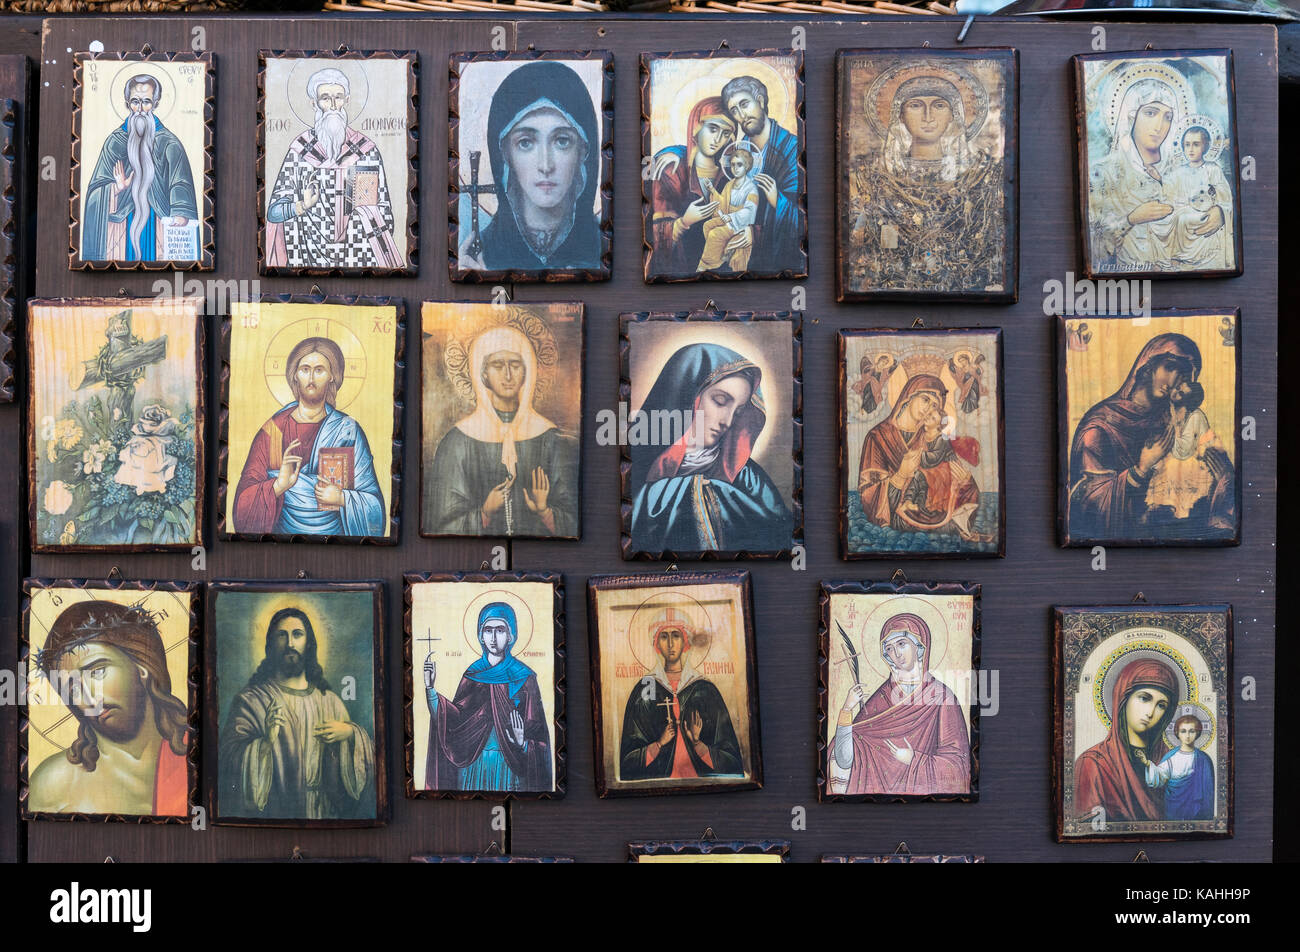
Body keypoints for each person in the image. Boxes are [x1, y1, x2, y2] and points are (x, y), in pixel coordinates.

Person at [848, 68, 1004, 293]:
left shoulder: (979, 178)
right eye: (916, 105)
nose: (928, 116)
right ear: (899, 114)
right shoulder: (873, 177)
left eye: (939, 105)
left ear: (953, 115)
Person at [627, 342, 793, 553]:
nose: (728, 421)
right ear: (686, 394)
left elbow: (780, 534)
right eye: (721, 401)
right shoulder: (633, 463)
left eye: (739, 411)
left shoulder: (749, 477)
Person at [28, 600, 189, 816]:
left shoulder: (196, 756)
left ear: (142, 666)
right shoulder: (54, 785)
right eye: (73, 688)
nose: (90, 698)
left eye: (97, 672)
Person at [1068, 332, 1233, 541]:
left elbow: (1214, 469)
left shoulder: (1175, 420)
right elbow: (1085, 507)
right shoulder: (1099, 427)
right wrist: (1141, 470)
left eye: (1182, 374)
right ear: (1147, 367)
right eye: (1169, 367)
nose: (1173, 380)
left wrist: (1224, 479)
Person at [218, 607, 375, 820]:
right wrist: (264, 744)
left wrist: (350, 734)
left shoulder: (330, 701)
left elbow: (371, 766)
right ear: (271, 644)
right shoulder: (251, 701)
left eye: (297, 634)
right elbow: (227, 763)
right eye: (282, 635)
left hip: (328, 816)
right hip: (280, 814)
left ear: (308, 643)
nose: (290, 643)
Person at [426, 325, 577, 536]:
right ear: (483, 373)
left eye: (515, 365)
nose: (508, 375)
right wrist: (484, 512)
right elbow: (441, 526)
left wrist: (545, 511)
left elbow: (574, 523)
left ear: (527, 372)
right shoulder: (457, 441)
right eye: (497, 365)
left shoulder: (551, 439)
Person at [232, 336, 386, 537]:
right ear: (295, 375)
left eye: (319, 370)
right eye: (305, 369)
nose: (311, 378)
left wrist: (341, 498)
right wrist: (279, 485)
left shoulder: (348, 431)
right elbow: (242, 509)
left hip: (337, 545)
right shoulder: (274, 431)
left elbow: (375, 508)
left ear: (332, 376)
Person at [460, 61, 601, 272]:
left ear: (583, 150)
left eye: (562, 141)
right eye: (525, 143)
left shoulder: (604, 250)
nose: (545, 165)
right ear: (505, 154)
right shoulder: (480, 253)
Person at [265, 67, 403, 270]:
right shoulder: (300, 152)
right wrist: (302, 205)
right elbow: (273, 213)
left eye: (338, 98)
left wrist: (359, 219)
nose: (332, 106)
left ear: (347, 100)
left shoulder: (364, 151)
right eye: (325, 98)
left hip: (356, 257)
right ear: (314, 103)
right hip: (305, 256)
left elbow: (384, 217)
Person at [1086, 76, 1229, 272]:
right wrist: (1131, 219)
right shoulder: (1102, 174)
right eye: (1150, 112)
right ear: (1131, 117)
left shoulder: (1178, 170)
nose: (1159, 125)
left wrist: (1221, 213)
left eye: (1168, 117)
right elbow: (1094, 248)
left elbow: (1223, 203)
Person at [831, 613, 970, 796]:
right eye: (889, 648)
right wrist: (847, 710)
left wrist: (914, 759)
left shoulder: (943, 698)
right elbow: (847, 756)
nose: (896, 653)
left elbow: (959, 767)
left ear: (919, 647)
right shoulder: (881, 699)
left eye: (902, 644)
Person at [422, 602, 552, 793]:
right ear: (480, 636)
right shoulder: (473, 675)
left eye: (500, 630)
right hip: (474, 764)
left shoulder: (525, 678)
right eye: (488, 630)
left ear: (510, 636)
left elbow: (540, 738)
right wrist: (430, 688)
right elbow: (452, 722)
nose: (493, 637)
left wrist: (523, 743)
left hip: (510, 766)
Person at [81, 74, 198, 263]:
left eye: (146, 102)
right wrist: (115, 188)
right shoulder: (114, 142)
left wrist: (181, 213)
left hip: (160, 220)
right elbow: (95, 192)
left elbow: (180, 181)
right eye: (135, 102)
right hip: (121, 225)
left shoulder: (170, 143)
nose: (141, 109)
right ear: (127, 103)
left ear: (156, 103)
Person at [618, 608, 743, 782]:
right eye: (664, 636)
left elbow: (732, 761)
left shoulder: (705, 689)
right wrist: (659, 744)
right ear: (656, 643)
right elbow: (627, 763)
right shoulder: (645, 689)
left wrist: (697, 744)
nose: (670, 644)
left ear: (686, 642)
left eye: (676, 635)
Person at [857, 373, 984, 540]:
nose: (928, 409)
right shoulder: (878, 436)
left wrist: (967, 481)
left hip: (932, 509)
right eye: (925, 400)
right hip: (899, 515)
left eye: (934, 406)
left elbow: (952, 473)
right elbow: (868, 496)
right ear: (909, 396)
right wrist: (901, 476)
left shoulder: (930, 437)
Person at [1074, 657, 1179, 823]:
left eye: (1161, 705)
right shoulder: (1094, 763)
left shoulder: (1172, 760)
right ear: (1123, 698)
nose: (1151, 712)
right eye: (1144, 698)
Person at [721, 75, 802, 273]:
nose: (742, 115)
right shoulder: (736, 150)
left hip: (770, 257)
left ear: (761, 100)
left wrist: (777, 201)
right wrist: (670, 152)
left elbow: (802, 218)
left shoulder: (790, 147)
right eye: (734, 110)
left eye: (744, 104)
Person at [647, 96, 736, 275]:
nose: (718, 139)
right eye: (712, 129)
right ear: (696, 127)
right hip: (682, 272)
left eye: (726, 133)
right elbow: (652, 234)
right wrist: (683, 222)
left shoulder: (730, 174)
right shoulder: (672, 170)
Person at [1145, 379, 1231, 525]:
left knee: (1172, 468)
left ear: (1188, 400)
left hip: (1198, 463)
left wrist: (1166, 432)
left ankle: (1175, 515)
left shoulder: (1195, 416)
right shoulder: (1170, 410)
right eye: (1177, 388)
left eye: (1181, 393)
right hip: (1179, 458)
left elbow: (1183, 450)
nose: (1175, 393)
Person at [1161, 125, 1234, 270]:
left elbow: (1225, 196)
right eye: (1187, 145)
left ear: (1205, 147)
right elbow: (1168, 193)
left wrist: (1214, 196)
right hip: (1184, 211)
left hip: (1204, 212)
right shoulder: (1179, 172)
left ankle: (1202, 256)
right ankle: (1180, 256)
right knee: (1179, 218)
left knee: (1190, 219)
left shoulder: (1212, 169)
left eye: (1196, 144)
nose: (1191, 149)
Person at [1139, 713, 1215, 821]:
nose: (1187, 735)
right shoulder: (1171, 757)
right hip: (1173, 806)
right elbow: (1160, 776)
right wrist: (1147, 763)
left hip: (1196, 806)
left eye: (1191, 731)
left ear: (1197, 733)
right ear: (1177, 733)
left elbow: (1208, 791)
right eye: (1183, 731)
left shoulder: (1204, 759)